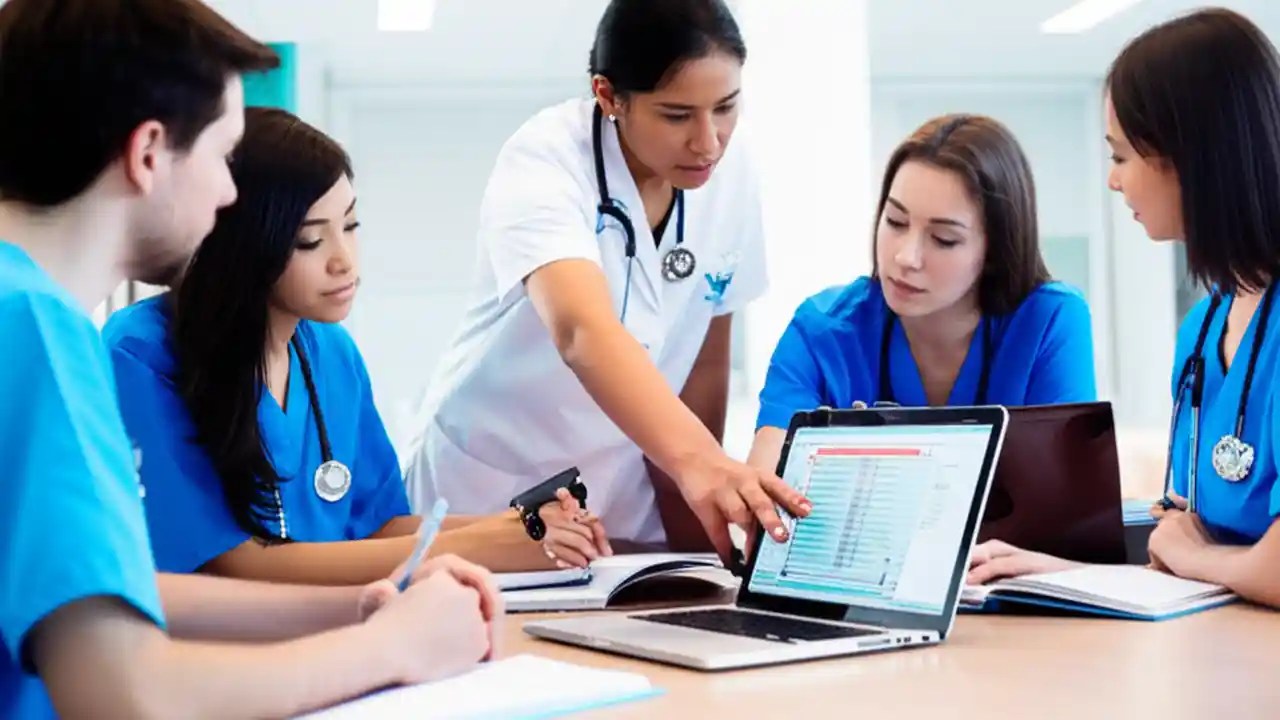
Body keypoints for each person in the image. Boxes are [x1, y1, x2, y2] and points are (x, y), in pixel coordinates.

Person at [0, 2, 498, 718]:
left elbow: (105, 590)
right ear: (149, 154)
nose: (231, 194)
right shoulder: (35, 329)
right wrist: (392, 648)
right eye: (221, 155)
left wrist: (363, 605)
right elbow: (126, 693)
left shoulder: (23, 309)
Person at [105, 107, 607, 582]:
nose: (343, 260)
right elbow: (228, 565)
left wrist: (520, 525)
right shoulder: (141, 355)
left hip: (334, 625)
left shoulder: (331, 353)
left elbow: (376, 526)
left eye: (349, 225)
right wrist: (479, 545)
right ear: (245, 241)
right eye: (310, 240)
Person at [403, 0, 809, 561]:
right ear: (608, 95)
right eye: (676, 115)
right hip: (494, 485)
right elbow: (581, 331)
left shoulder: (731, 175)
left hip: (623, 494)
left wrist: (700, 530)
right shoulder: (546, 159)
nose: (708, 141)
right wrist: (700, 463)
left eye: (725, 107)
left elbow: (702, 361)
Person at [967, 7, 1280, 609]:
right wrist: (1061, 572)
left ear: (1188, 152)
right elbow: (1184, 546)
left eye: (1120, 156)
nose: (1113, 182)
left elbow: (1201, 555)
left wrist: (1195, 556)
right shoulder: (1204, 328)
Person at [746, 114, 1097, 474]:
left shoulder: (1050, 322)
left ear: (995, 250)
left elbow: (1070, 487)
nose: (906, 257)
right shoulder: (821, 330)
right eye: (895, 222)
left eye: (944, 239)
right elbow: (767, 480)